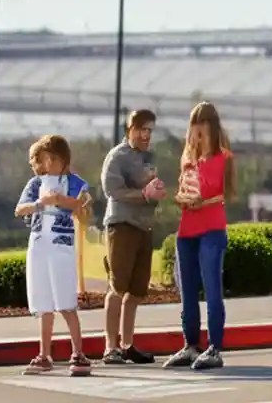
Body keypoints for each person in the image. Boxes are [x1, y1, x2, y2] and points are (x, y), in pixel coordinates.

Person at [164, 101, 234, 371]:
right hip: (187, 231)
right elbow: (185, 190)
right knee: (188, 292)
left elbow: (221, 194)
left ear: (212, 127)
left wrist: (199, 202)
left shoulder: (222, 157)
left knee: (212, 291)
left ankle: (215, 347)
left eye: (203, 124)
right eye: (195, 124)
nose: (198, 130)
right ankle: (190, 345)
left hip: (212, 230)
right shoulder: (187, 159)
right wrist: (182, 199)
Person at [15, 134, 93, 376]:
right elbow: (20, 209)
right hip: (39, 244)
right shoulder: (35, 184)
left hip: (62, 245)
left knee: (65, 300)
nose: (39, 167)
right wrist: (40, 204)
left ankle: (78, 352)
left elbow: (83, 209)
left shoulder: (75, 183)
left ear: (52, 159)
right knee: (43, 301)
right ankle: (44, 354)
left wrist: (61, 200)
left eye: (41, 160)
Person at [101, 109, 166, 365]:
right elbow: (112, 190)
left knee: (137, 290)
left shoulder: (149, 158)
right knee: (117, 285)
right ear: (129, 129)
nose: (146, 135)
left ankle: (127, 345)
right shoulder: (118, 156)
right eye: (141, 129)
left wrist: (156, 192)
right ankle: (110, 347)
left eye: (150, 130)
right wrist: (143, 194)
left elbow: (149, 191)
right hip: (122, 225)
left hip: (144, 227)